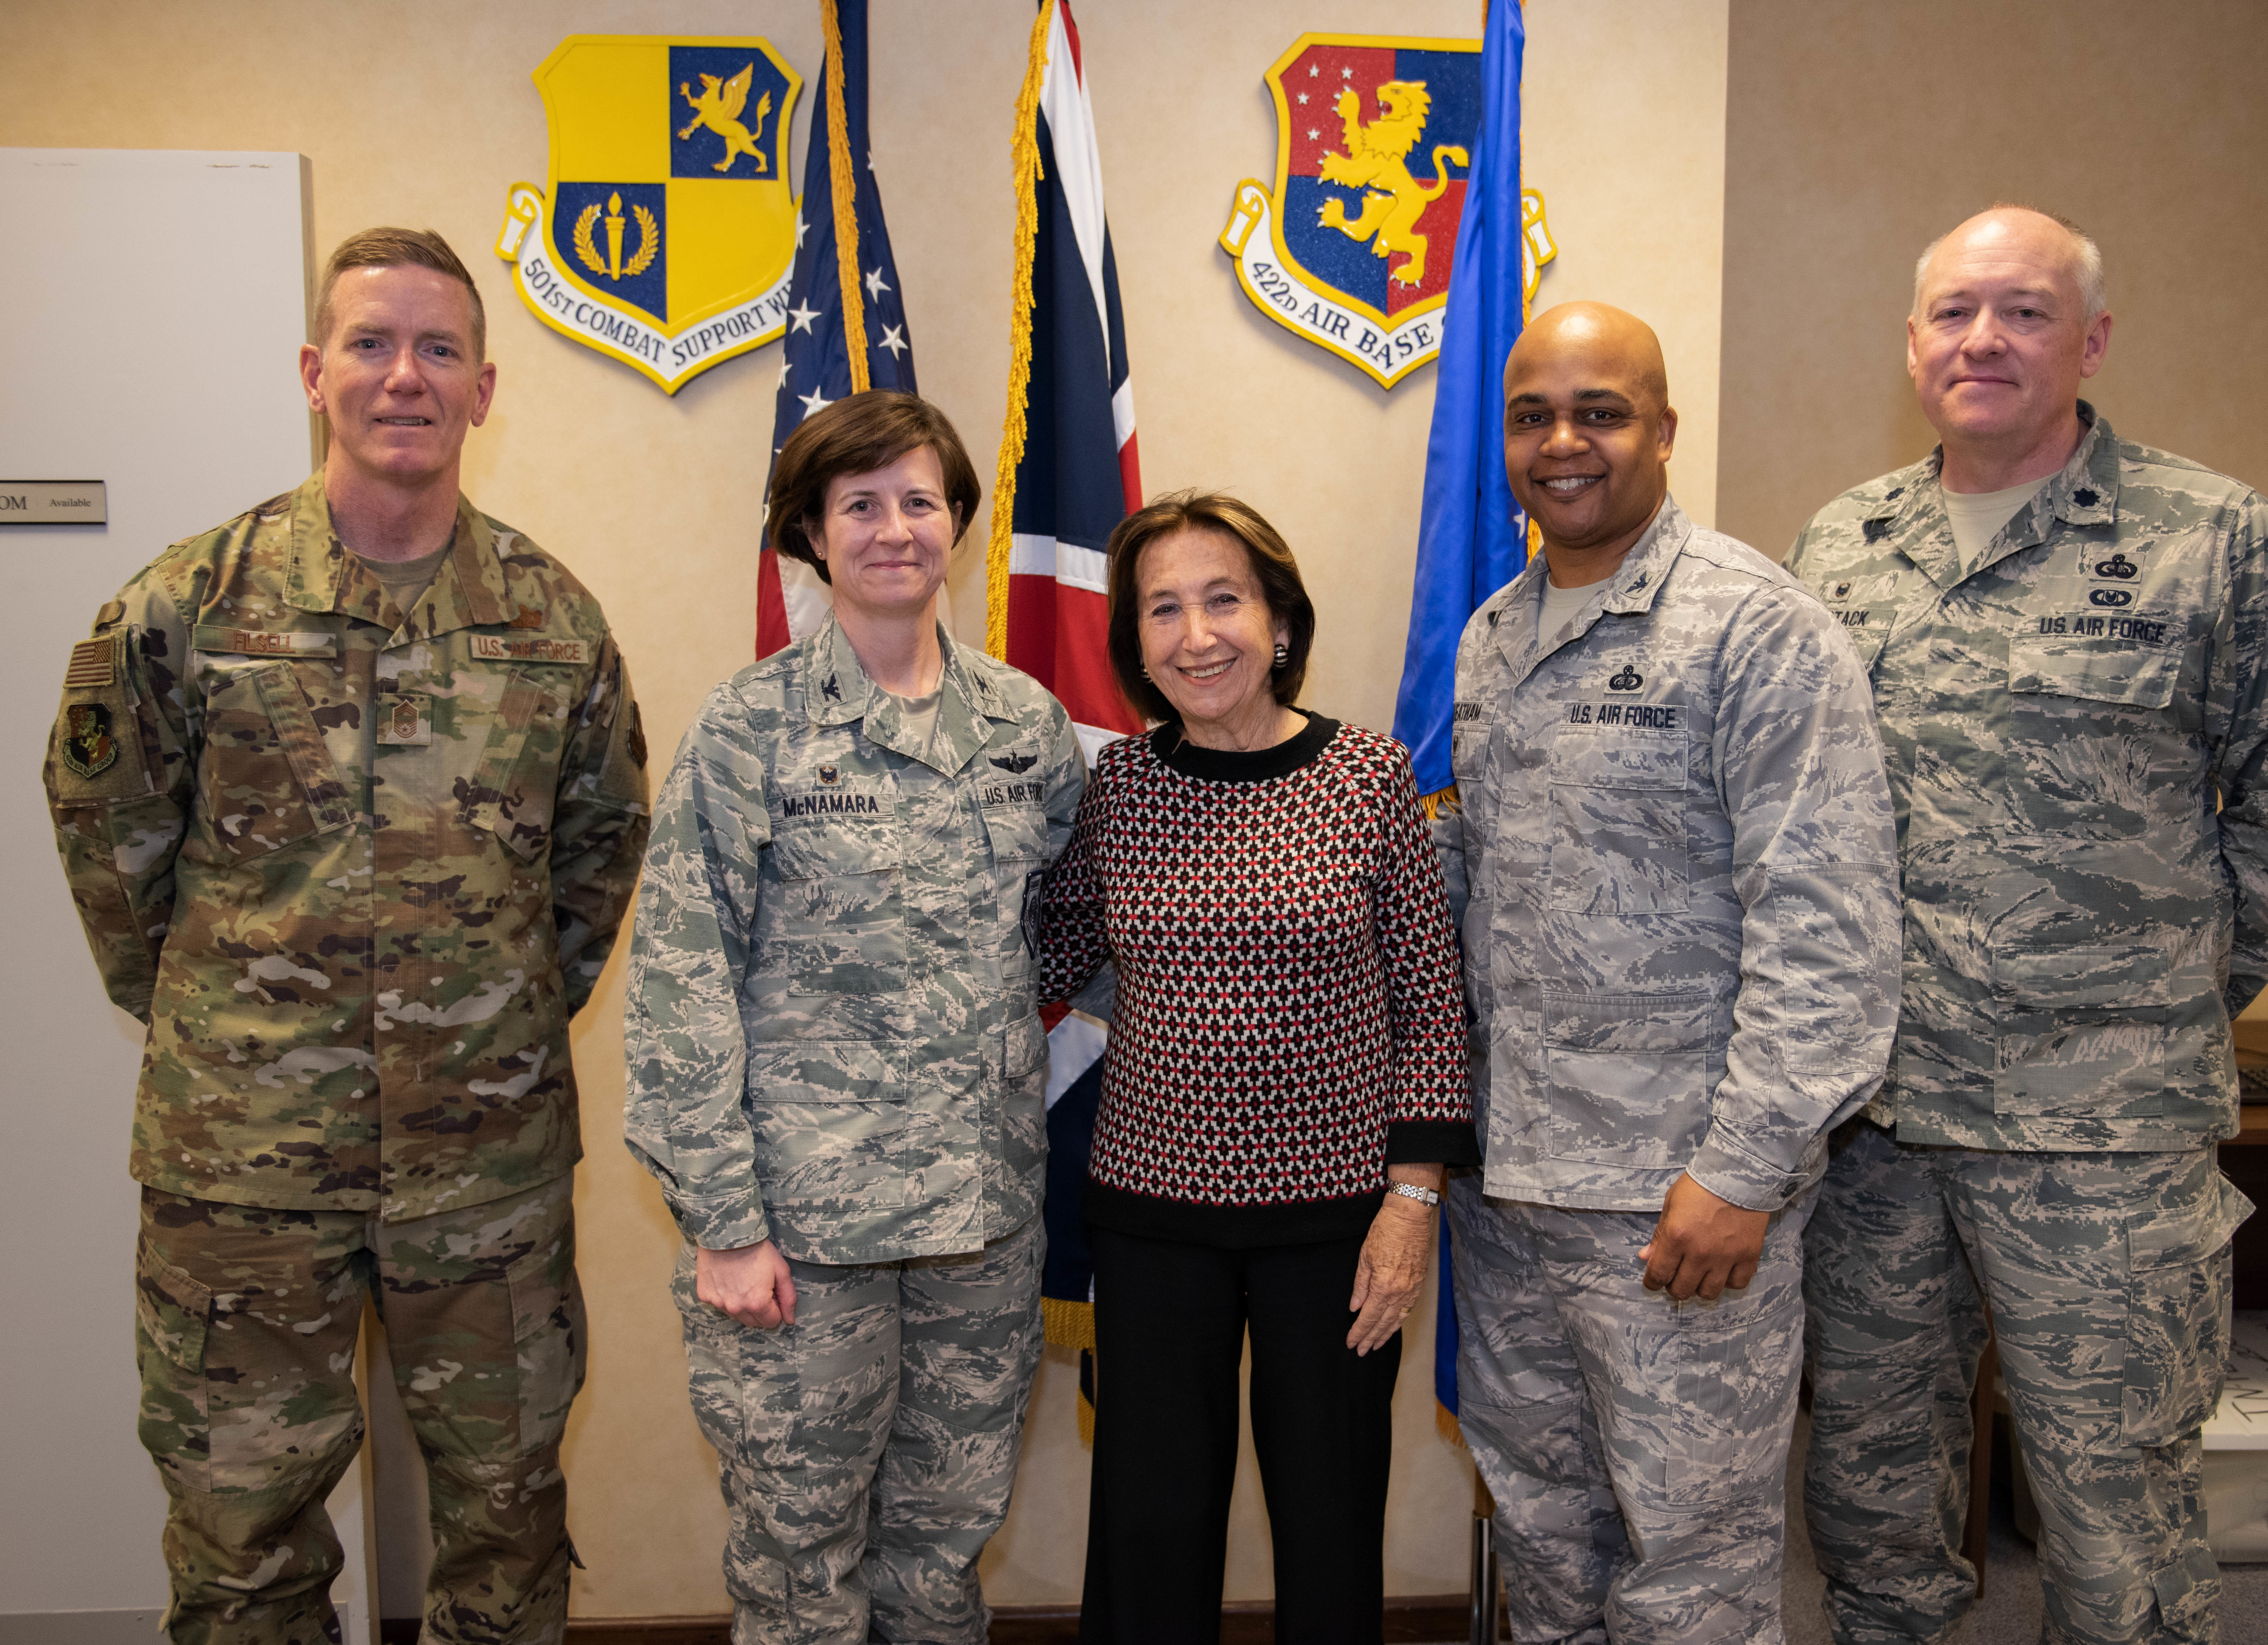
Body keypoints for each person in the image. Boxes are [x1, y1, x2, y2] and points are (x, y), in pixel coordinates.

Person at [42, 227, 651, 1644]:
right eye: (372, 344)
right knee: (243, 1547)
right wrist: (220, 1023)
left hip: (483, 1176)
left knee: (506, 1538)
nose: (405, 377)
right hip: (242, 1176)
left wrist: (485, 1027)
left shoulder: (556, 623)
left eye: (440, 349)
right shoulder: (186, 608)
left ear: (486, 389)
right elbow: (107, 834)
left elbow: (599, 854)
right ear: (315, 373)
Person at [1790, 205, 2268, 1645]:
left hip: (2103, 1140)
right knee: (1871, 1508)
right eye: (1955, 312)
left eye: (2027, 311)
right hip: (1877, 1131)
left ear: (2091, 339)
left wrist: (2152, 994)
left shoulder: (2215, 538)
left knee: (2121, 1530)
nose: (1985, 339)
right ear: (1913, 341)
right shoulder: (1843, 541)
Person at [1435, 302, 1902, 1645]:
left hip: (1675, 1210)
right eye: (1532, 416)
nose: (1563, 443)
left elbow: (1830, 927)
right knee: (1548, 1542)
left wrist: (1745, 1171)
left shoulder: (1756, 630)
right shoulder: (1493, 636)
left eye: (1601, 411)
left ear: (1664, 430)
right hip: (1510, 1189)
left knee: (1692, 1571)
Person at [622, 389, 1084, 1645]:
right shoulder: (749, 729)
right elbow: (679, 981)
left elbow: (1085, 941)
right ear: (815, 537)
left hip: (978, 1231)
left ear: (957, 527)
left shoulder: (1025, 729)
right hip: (798, 1237)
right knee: (797, 1561)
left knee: (940, 1558)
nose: (894, 530)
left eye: (919, 502)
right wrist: (722, 1224)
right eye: (860, 505)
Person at [1027, 490, 1474, 1645]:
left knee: (1330, 1532)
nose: (1196, 634)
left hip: (1336, 1231)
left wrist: (1413, 1204)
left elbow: (1432, 1010)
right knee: (1148, 1534)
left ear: (1279, 618)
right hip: (1150, 1220)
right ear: (1135, 642)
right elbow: (1045, 955)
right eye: (1162, 609)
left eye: (1223, 598)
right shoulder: (1120, 789)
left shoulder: (1370, 780)